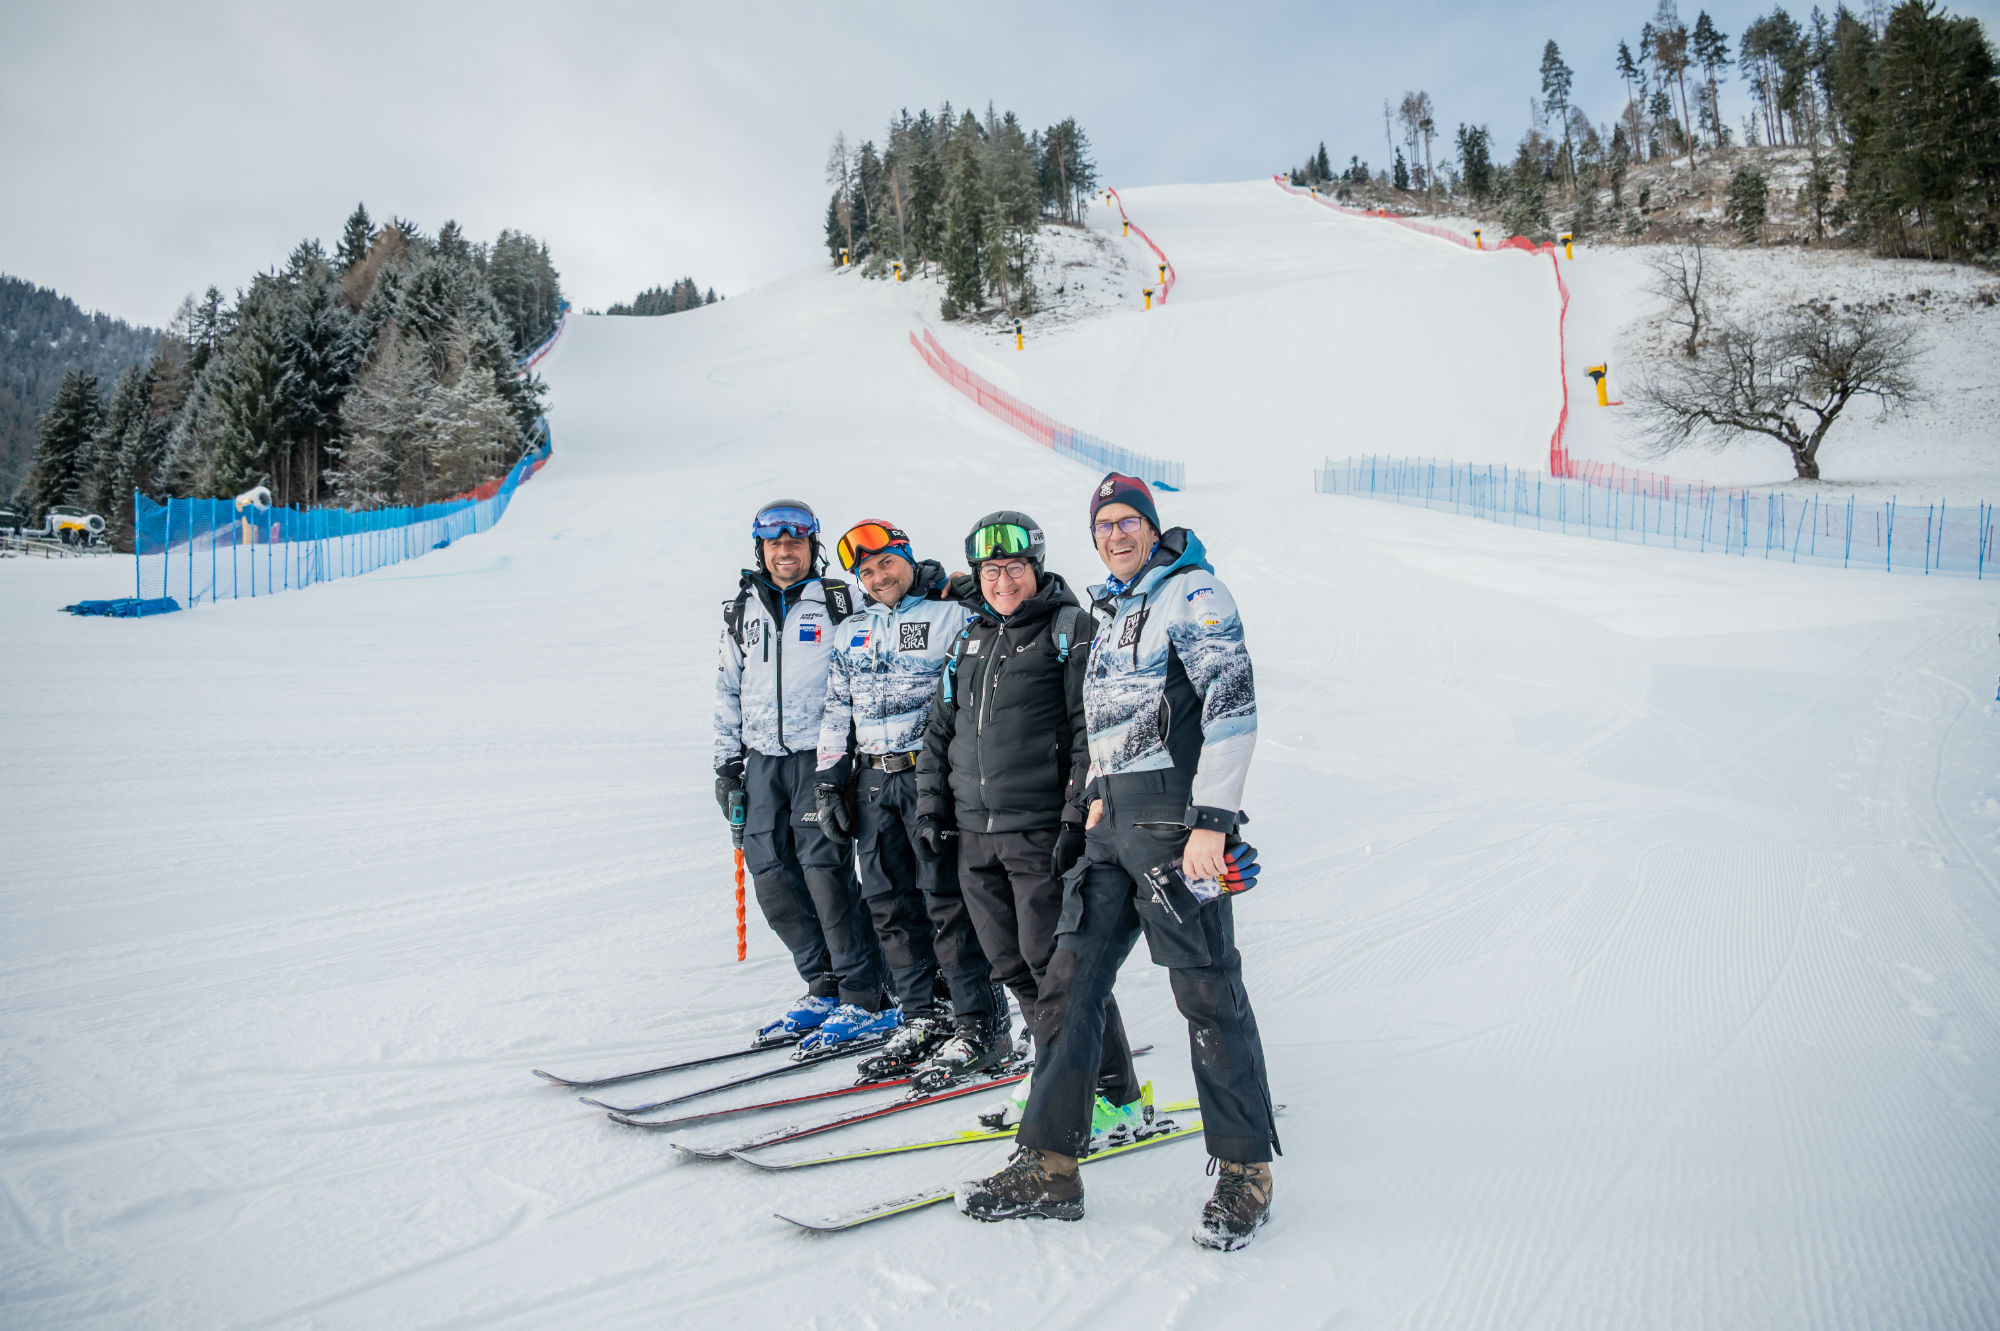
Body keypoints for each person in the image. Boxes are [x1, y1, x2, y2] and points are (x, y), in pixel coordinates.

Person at [956, 473, 1280, 1252]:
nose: (1116, 535)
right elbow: (1112, 718)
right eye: (1104, 525)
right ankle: (1049, 1163)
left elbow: (1231, 706)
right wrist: (1098, 792)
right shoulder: (1115, 608)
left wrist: (1213, 820)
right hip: (1112, 830)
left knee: (1206, 991)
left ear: (1152, 525)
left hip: (1175, 829)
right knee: (1067, 987)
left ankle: (1245, 1170)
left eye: (1129, 521)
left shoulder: (1194, 593)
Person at [917, 511, 1147, 1135]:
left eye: (1014, 568)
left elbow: (1088, 731)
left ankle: (1111, 1093)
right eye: (991, 571)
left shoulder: (1069, 630)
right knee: (1012, 966)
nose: (1002, 581)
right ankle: (1060, 1071)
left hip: (1040, 831)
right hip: (974, 835)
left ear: (1036, 569)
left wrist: (1076, 817)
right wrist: (929, 807)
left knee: (1059, 971)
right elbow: (942, 730)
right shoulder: (969, 639)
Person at [810, 520, 1004, 1062]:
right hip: (872, 781)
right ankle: (922, 1016)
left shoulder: (952, 616)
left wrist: (970, 590)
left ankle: (980, 1022)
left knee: (945, 901)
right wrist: (829, 779)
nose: (878, 577)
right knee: (888, 905)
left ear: (908, 557)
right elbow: (836, 709)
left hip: (931, 776)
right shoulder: (852, 631)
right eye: (865, 572)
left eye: (886, 563)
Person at [713, 500, 888, 1042]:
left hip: (823, 756)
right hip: (763, 761)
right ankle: (823, 987)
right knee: (772, 879)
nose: (784, 552)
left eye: (796, 543)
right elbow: (727, 687)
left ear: (813, 547)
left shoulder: (841, 601)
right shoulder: (742, 608)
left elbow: (888, 619)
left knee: (827, 877)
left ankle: (866, 995)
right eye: (774, 544)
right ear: (761, 550)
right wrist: (726, 765)